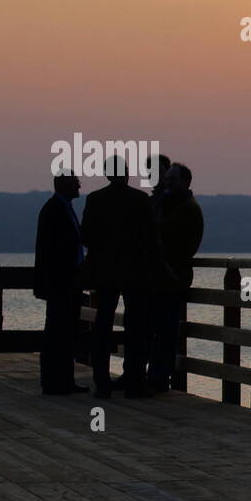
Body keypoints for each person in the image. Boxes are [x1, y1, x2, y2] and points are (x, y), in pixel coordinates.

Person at [80, 156, 156, 398]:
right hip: (135, 272)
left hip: (105, 272)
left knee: (103, 325)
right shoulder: (140, 200)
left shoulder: (95, 200)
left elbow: (86, 236)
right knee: (136, 327)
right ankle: (134, 381)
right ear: (125, 173)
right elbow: (151, 237)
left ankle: (101, 382)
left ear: (106, 174)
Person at [147, 162, 204, 393]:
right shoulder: (172, 204)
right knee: (159, 329)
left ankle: (159, 379)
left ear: (186, 182)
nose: (168, 183)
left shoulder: (187, 208)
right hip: (163, 276)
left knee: (165, 331)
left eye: (172, 179)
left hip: (172, 277)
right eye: (167, 179)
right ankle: (156, 376)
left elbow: (163, 234)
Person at [32, 173, 87, 395]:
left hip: (67, 280)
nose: (79, 186)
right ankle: (55, 381)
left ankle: (63, 379)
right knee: (58, 331)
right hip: (61, 281)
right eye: (76, 183)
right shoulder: (54, 210)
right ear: (64, 186)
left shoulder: (60, 208)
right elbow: (53, 249)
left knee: (64, 331)